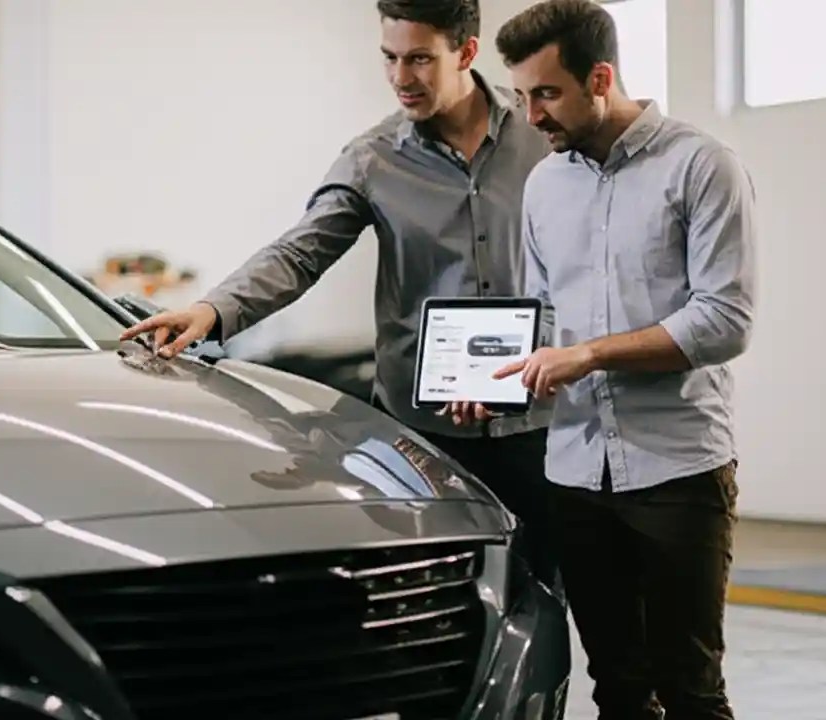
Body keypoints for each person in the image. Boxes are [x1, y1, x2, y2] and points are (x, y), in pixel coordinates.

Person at [119, 0, 559, 585]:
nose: (401, 78)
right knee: (420, 595)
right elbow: (301, 251)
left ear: (467, 52)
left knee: (539, 595)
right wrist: (213, 308)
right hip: (419, 436)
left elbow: (588, 262)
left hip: (538, 425)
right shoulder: (373, 158)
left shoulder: (544, 135)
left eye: (421, 59)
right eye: (390, 58)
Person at [465, 1, 756, 718]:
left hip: (677, 471)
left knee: (690, 686)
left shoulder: (700, 166)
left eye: (546, 94)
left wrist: (589, 356)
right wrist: (495, 387)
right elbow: (547, 323)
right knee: (618, 687)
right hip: (574, 472)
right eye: (522, 95)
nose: (530, 117)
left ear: (601, 77)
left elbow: (724, 321)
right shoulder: (544, 186)